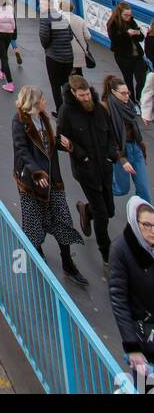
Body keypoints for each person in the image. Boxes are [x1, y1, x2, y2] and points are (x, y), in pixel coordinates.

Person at [12, 86, 87, 287]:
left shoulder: (45, 119)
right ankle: (37, 252)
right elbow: (22, 150)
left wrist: (66, 145)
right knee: (33, 222)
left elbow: (51, 144)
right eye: (42, 99)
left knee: (63, 219)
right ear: (34, 103)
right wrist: (36, 172)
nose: (45, 102)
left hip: (53, 179)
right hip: (31, 182)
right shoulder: (19, 121)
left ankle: (67, 262)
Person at [57, 74, 127, 270]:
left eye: (87, 94)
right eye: (82, 95)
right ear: (73, 93)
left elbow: (110, 135)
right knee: (103, 215)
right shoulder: (66, 113)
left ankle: (85, 210)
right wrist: (80, 154)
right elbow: (60, 141)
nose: (86, 98)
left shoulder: (99, 109)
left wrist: (112, 154)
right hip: (86, 171)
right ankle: (106, 254)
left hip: (104, 168)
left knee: (110, 211)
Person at [108, 197, 154, 377]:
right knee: (145, 382)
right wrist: (132, 346)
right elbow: (118, 300)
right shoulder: (120, 249)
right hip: (142, 333)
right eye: (146, 225)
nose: (152, 231)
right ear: (136, 223)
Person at [103, 75, 151, 204]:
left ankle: (146, 222)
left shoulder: (129, 104)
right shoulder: (106, 108)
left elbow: (135, 129)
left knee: (144, 191)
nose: (127, 96)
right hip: (121, 153)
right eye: (123, 93)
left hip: (136, 149)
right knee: (121, 189)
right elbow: (110, 139)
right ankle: (97, 197)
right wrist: (123, 160)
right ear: (113, 92)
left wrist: (141, 146)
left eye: (128, 92)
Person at [39, 0, 77, 117]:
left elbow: (44, 37)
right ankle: (70, 108)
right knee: (66, 84)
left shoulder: (46, 18)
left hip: (54, 57)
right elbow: (70, 36)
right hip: (68, 57)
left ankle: (61, 112)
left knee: (55, 85)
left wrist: (48, 48)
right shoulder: (61, 17)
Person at [107, 4, 149, 106]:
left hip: (137, 55)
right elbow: (115, 40)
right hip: (123, 57)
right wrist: (127, 34)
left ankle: (139, 98)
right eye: (126, 15)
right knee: (128, 79)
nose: (128, 17)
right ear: (119, 13)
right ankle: (132, 102)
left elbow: (141, 38)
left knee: (142, 79)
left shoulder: (131, 21)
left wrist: (138, 34)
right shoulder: (113, 24)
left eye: (130, 15)